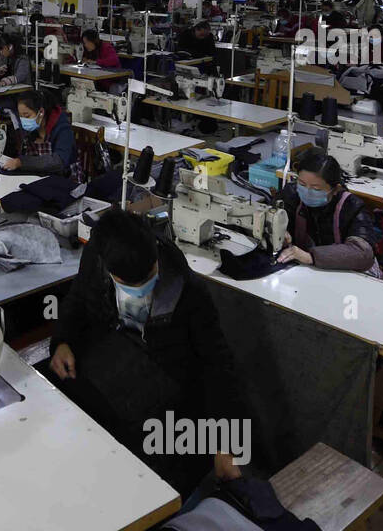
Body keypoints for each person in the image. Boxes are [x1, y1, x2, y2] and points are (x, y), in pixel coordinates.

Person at [47, 209, 243, 496]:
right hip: (113, 365)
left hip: (166, 392)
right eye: (128, 285)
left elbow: (218, 367)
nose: (140, 289)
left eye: (148, 277)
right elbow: (78, 298)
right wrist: (62, 340)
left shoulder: (188, 291)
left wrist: (224, 447)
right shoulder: (98, 257)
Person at [277, 149, 379, 274]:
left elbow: (363, 253)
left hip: (346, 272)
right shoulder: (291, 194)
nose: (307, 191)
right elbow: (270, 215)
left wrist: (310, 257)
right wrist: (280, 232)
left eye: (316, 188)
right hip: (307, 270)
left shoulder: (352, 207)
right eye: (302, 184)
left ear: (336, 189)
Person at [0, 89, 76, 177]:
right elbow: (24, 153)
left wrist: (22, 162)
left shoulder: (62, 128)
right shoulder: (30, 127)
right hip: (39, 175)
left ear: (41, 113)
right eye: (20, 116)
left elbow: (59, 161)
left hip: (64, 178)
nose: (23, 120)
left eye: (27, 115)